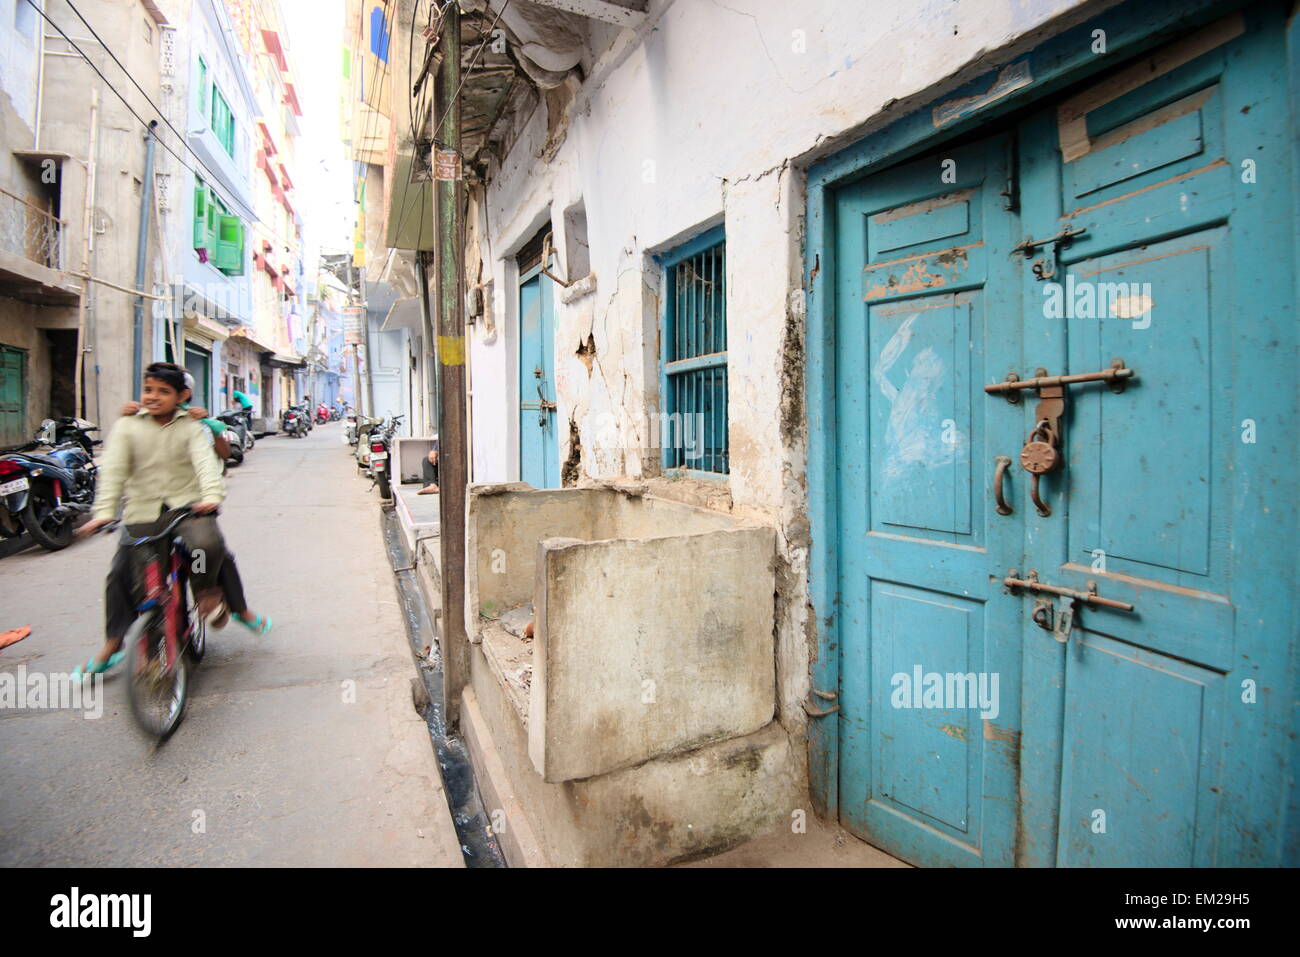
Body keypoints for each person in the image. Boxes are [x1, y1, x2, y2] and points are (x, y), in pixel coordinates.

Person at [73, 362, 271, 679]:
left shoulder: (193, 424)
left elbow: (209, 461)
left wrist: (211, 497)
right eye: (148, 390)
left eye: (163, 391)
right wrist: (104, 513)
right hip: (141, 510)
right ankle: (130, 647)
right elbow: (113, 471)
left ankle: (208, 592)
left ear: (182, 395)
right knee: (127, 577)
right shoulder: (127, 425)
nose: (153, 397)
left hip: (187, 507)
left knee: (207, 546)